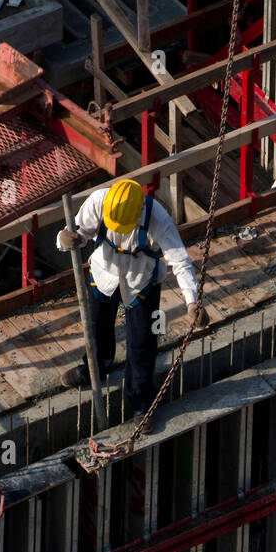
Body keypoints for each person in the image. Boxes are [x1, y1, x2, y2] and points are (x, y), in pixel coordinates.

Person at [57, 178, 207, 417]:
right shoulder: (99, 201)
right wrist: (64, 239)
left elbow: (180, 261)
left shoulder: (157, 218)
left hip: (140, 283)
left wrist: (192, 301)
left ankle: (140, 402)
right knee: (97, 327)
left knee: (142, 343)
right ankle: (95, 367)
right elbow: (78, 233)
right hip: (104, 274)